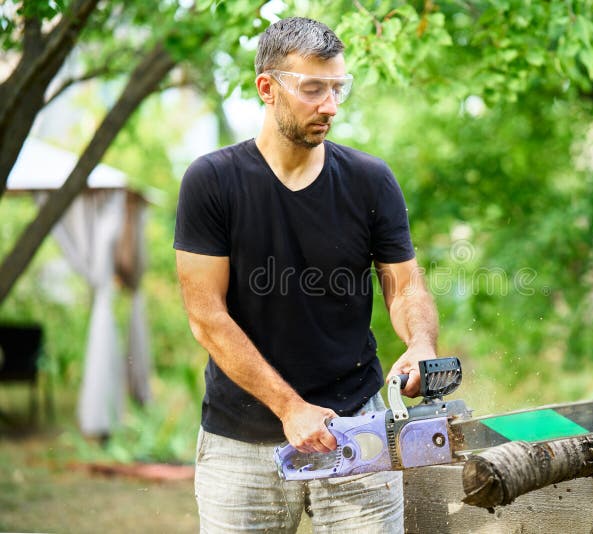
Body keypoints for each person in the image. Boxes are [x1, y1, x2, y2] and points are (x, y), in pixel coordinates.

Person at [173, 16, 439, 533]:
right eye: (313, 89)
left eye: (338, 88)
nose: (331, 106)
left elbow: (404, 284)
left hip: (357, 433)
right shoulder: (212, 182)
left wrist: (422, 342)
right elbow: (206, 317)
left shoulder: (370, 180)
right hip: (241, 445)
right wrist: (289, 407)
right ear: (267, 88)